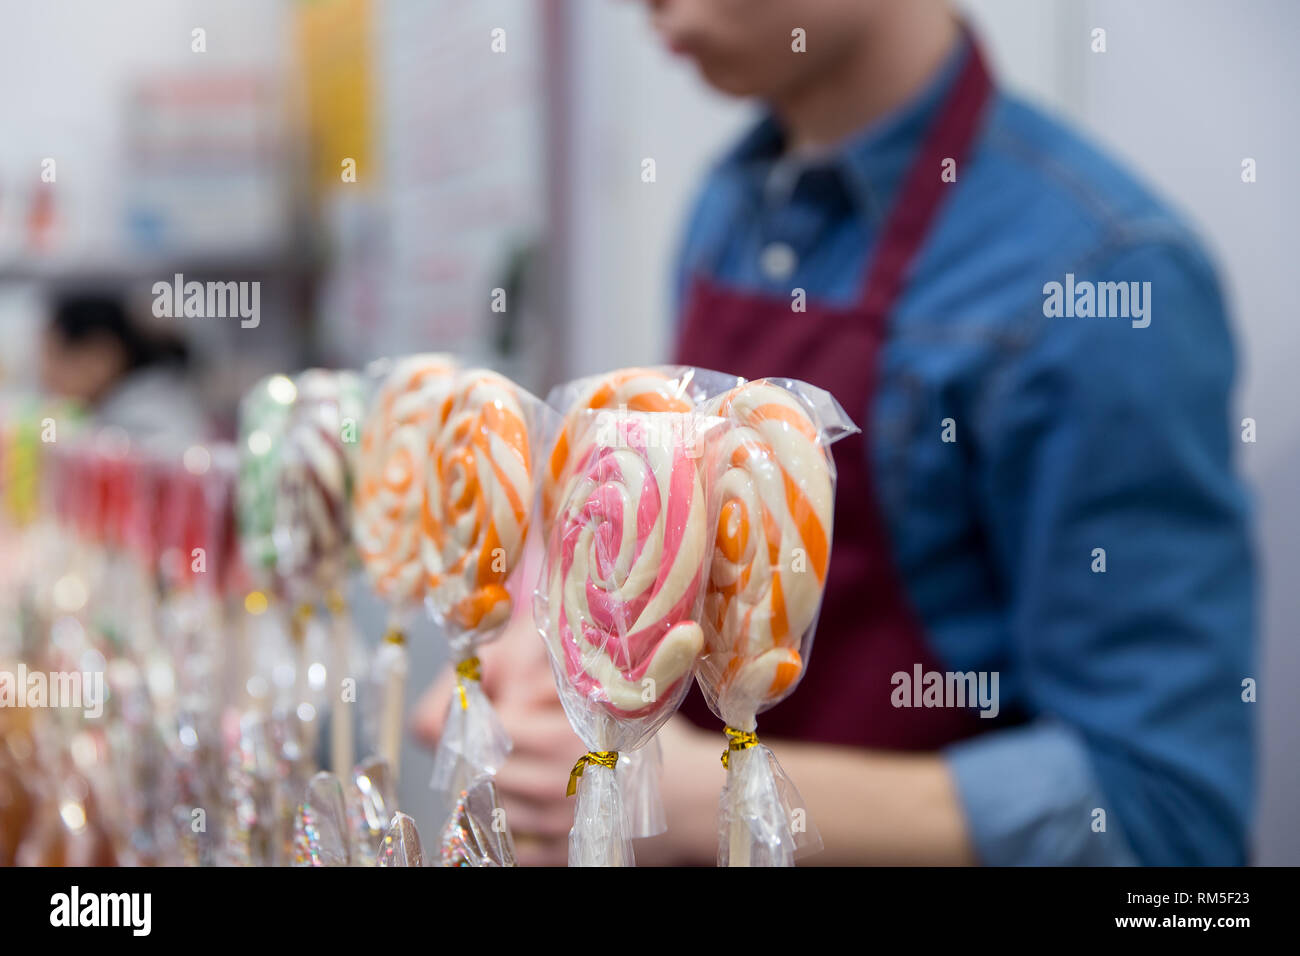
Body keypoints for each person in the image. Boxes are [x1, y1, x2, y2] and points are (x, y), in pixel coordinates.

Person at [416, 0, 1255, 865]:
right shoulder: (730, 204)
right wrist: (551, 657)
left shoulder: (1099, 279)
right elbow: (694, 554)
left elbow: (1164, 817)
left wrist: (689, 792)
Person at [39, 289, 207, 449]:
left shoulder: (142, 420)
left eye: (54, 356)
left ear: (101, 356)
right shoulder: (114, 410)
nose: (46, 374)